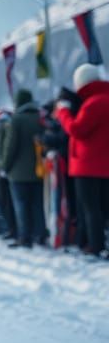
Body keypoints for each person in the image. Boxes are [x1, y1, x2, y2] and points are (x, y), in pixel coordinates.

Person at [56, 64, 109, 258]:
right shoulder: (105, 98)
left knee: (90, 208)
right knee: (103, 208)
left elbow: (77, 129)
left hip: (87, 166)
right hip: (104, 165)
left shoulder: (93, 103)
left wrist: (63, 112)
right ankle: (100, 244)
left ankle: (95, 247)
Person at [1, 88, 45, 248]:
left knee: (21, 206)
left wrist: (5, 166)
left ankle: (24, 238)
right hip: (39, 171)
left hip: (18, 173)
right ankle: (40, 235)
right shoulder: (39, 118)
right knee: (37, 205)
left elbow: (10, 146)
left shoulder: (16, 119)